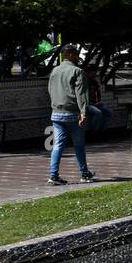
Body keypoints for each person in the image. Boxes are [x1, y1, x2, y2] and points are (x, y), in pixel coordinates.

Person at [47, 45, 96, 186]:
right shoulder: (78, 71)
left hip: (56, 114)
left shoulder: (54, 71)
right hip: (72, 114)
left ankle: (53, 175)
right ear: (68, 55)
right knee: (79, 145)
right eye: (75, 54)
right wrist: (83, 113)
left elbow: (50, 90)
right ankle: (84, 173)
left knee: (58, 146)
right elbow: (81, 95)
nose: (77, 57)